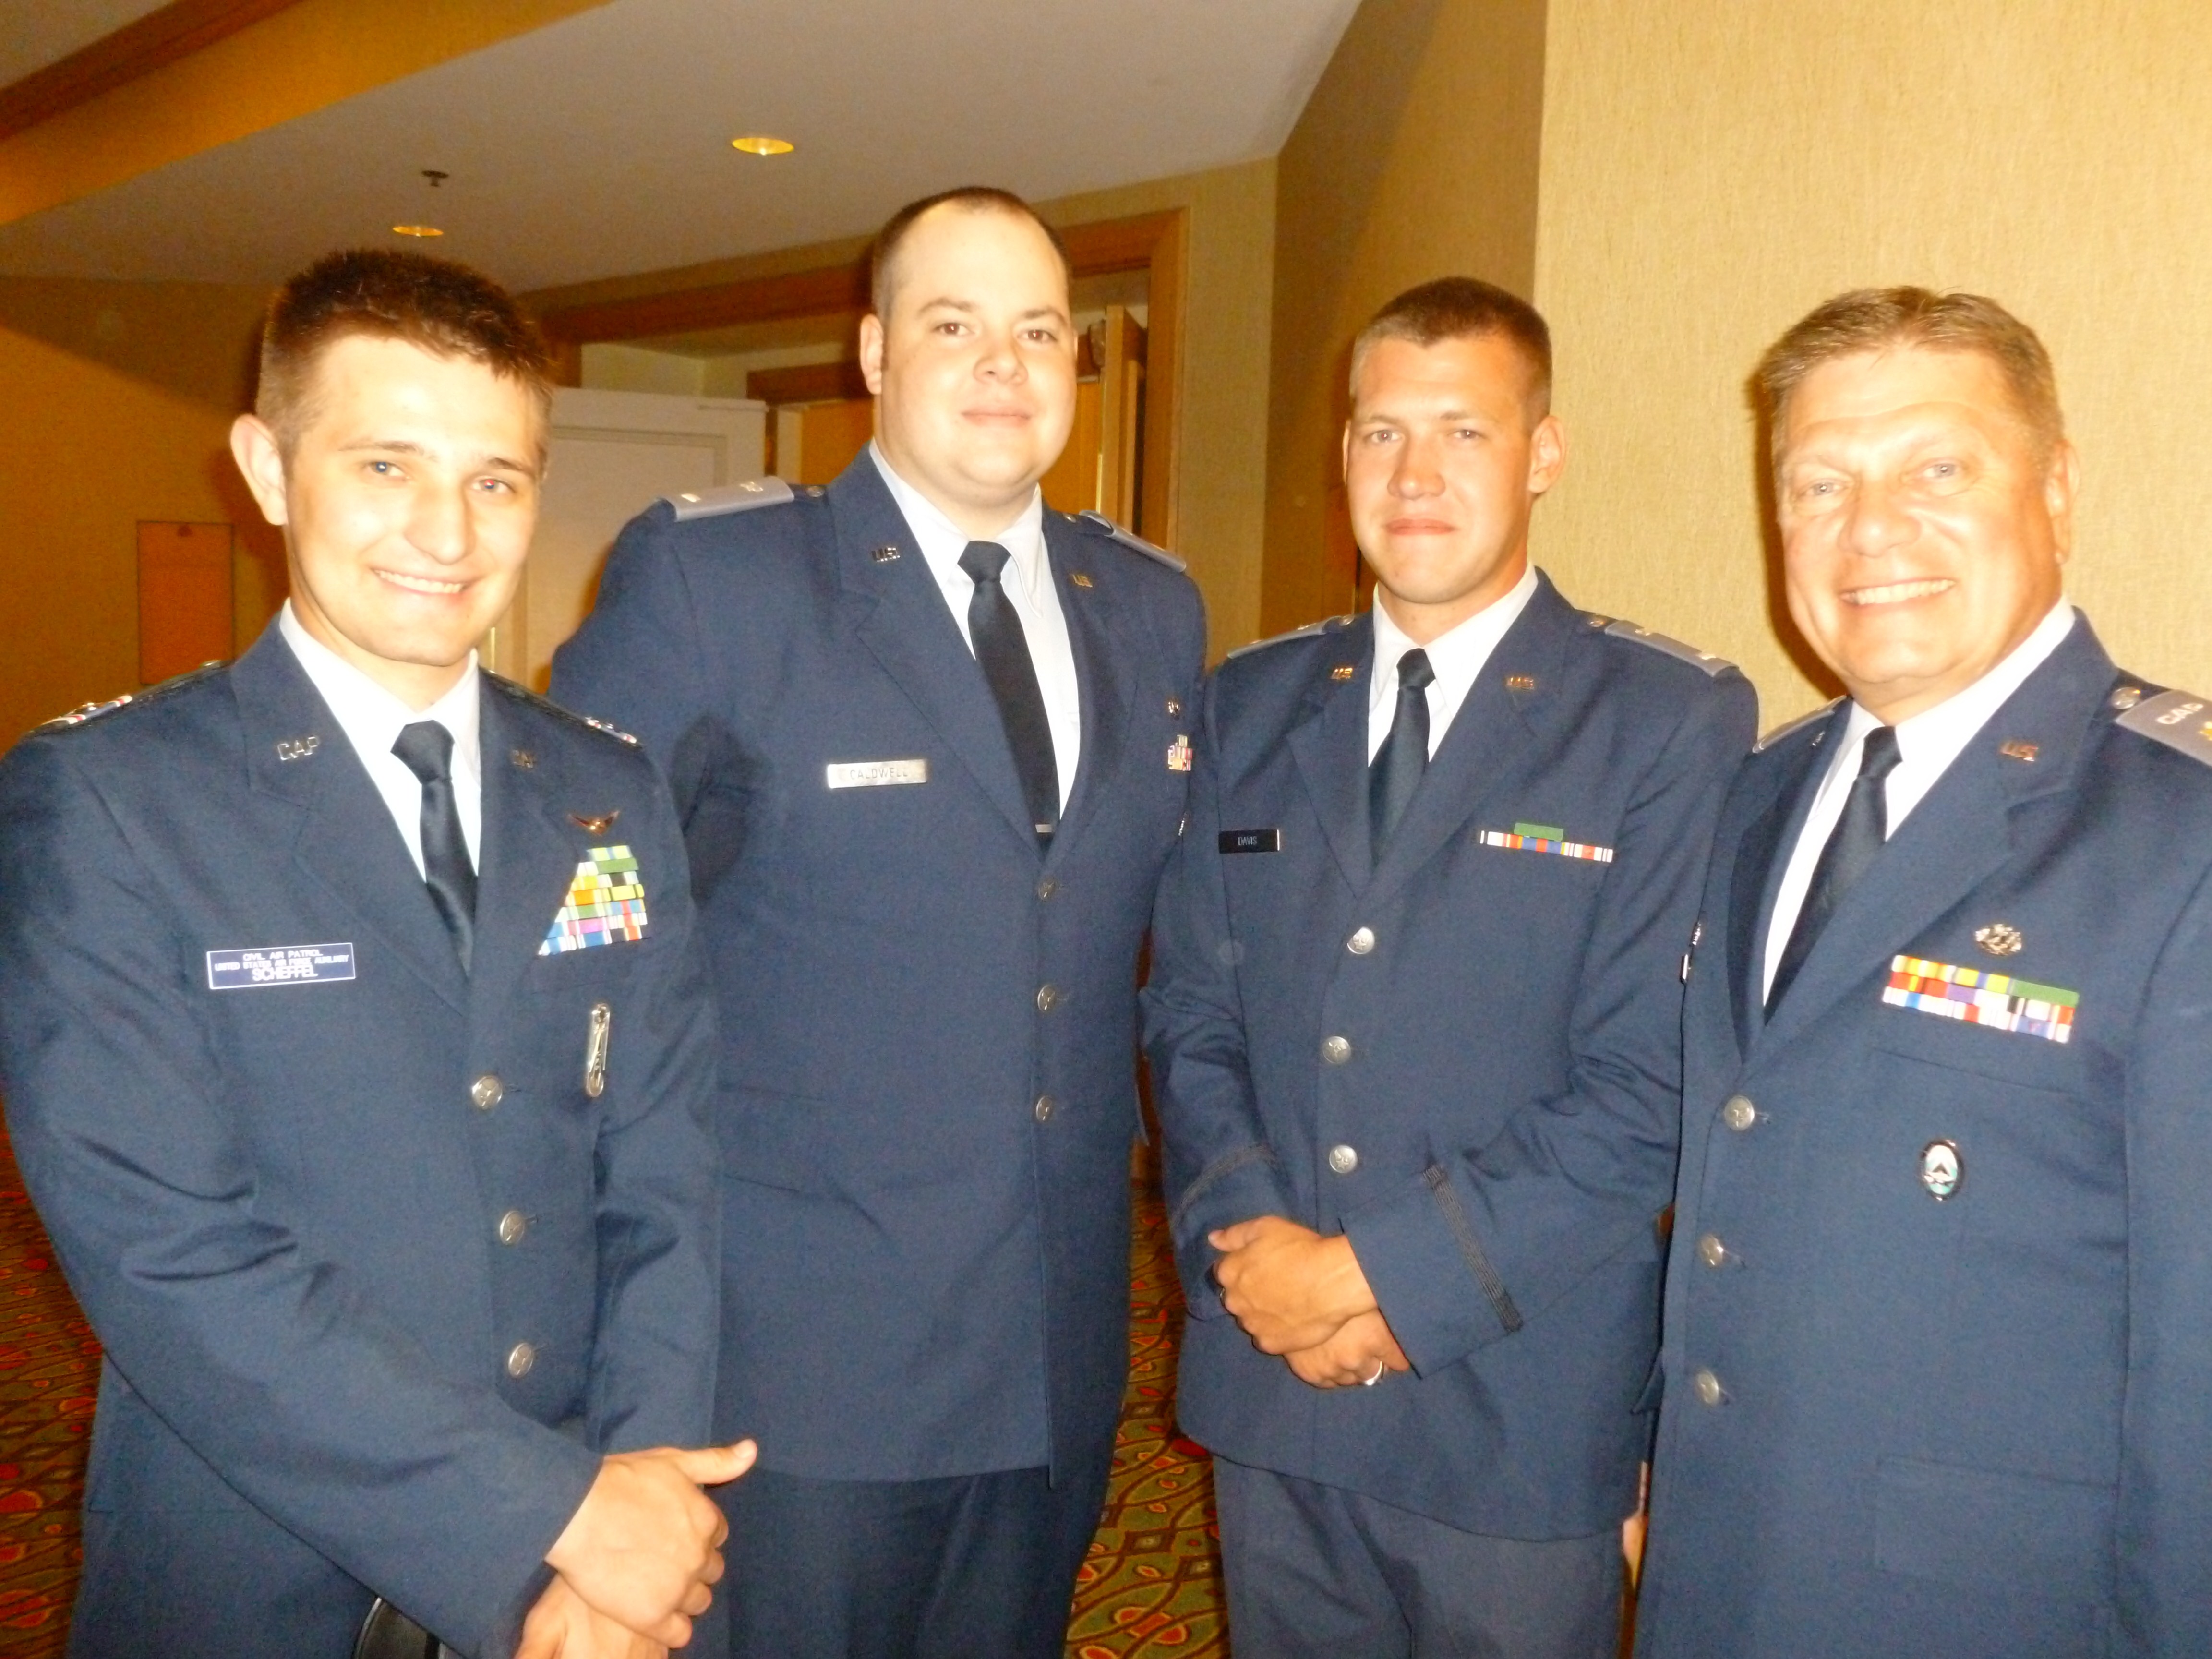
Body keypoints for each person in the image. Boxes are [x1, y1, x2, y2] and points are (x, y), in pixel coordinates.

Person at [0, 248, 752, 1659]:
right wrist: (553, 1519)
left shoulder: (605, 789)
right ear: (269, 470)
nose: (448, 533)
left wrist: (640, 1501)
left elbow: (664, 1171)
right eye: (386, 466)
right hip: (262, 1565)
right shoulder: (112, 799)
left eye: (496, 480)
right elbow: (171, 1256)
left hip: (608, 1571)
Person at [550, 186, 1207, 1659]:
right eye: (954, 323)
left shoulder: (1153, 609)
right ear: (873, 352)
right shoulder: (718, 581)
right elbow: (578, 952)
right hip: (806, 1369)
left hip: (1054, 1352)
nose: (1004, 364)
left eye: (1041, 330)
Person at [1141, 276, 1755, 1658]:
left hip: (1511, 1405)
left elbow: (1644, 1089)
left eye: (1463, 434)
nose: (1414, 476)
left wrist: (1377, 1288)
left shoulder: (1663, 720)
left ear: (1543, 454)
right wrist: (1262, 1276)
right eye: (1379, 433)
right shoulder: (1251, 700)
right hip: (1272, 1384)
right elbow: (1191, 1012)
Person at [1634, 288, 2212, 1658]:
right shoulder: (1759, 796)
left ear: (2058, 490)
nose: (1869, 530)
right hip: (1719, 1569)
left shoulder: (2181, 837)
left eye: (1936, 469)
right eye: (1817, 483)